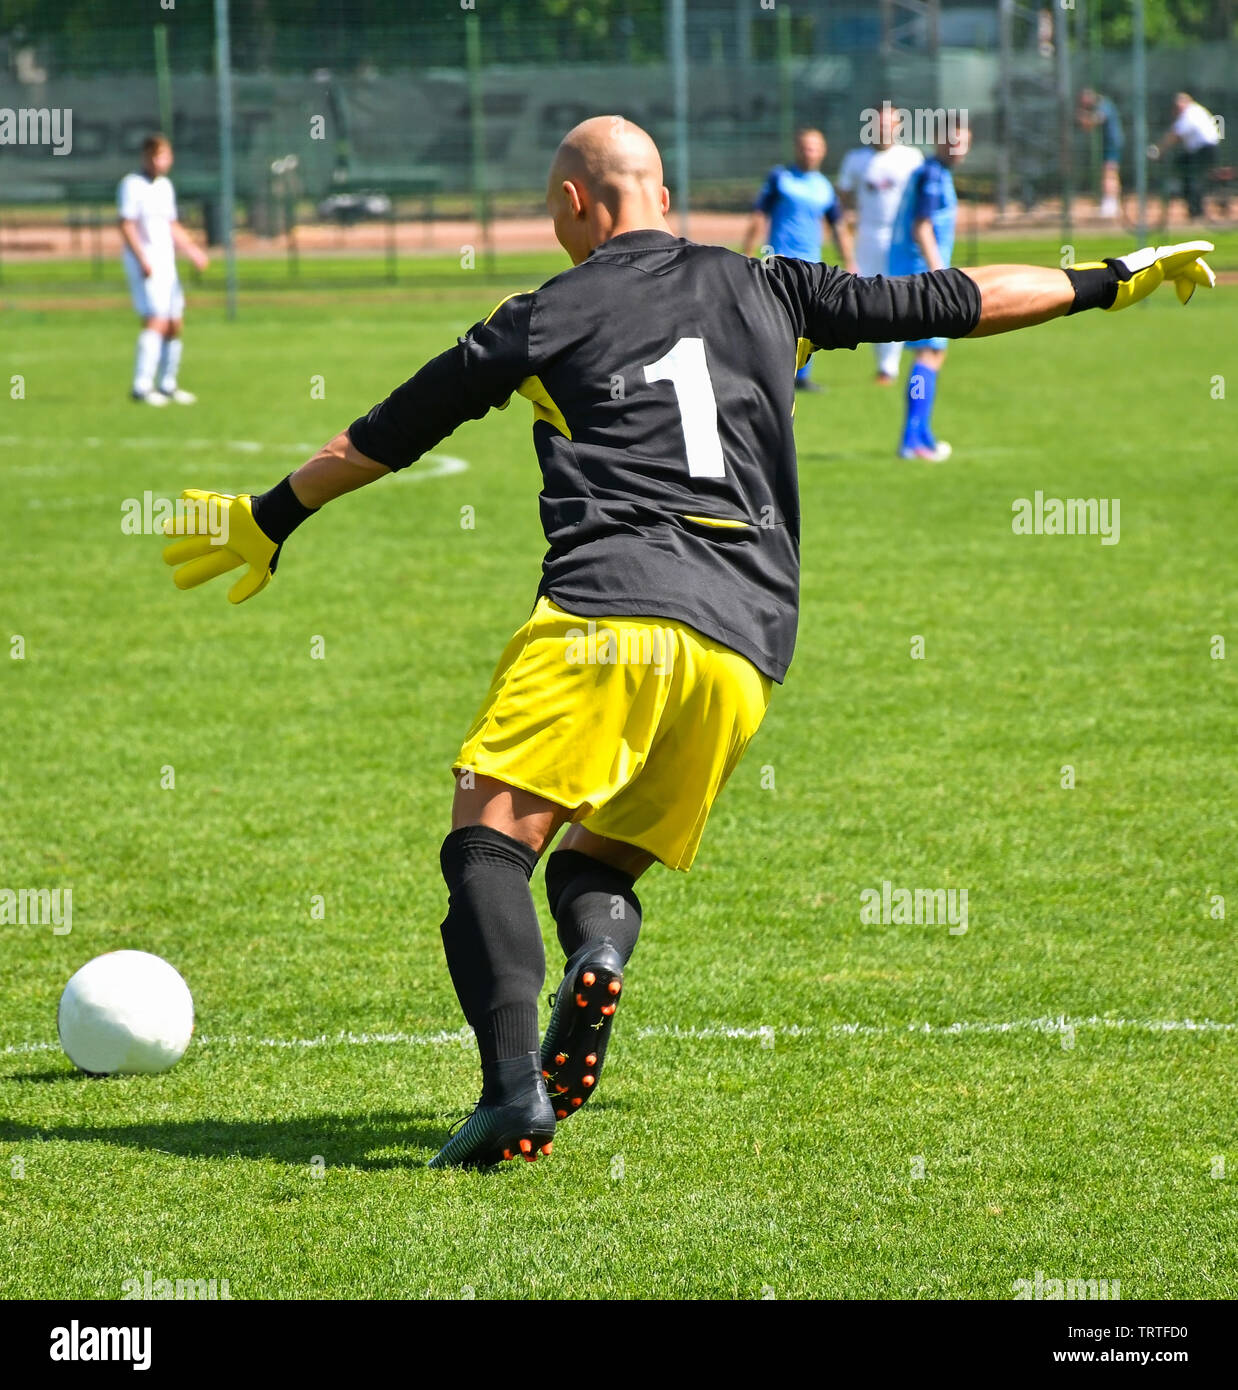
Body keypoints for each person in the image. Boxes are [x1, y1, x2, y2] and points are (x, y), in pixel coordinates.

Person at [161, 117, 1214, 1170]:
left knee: (486, 842)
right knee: (593, 863)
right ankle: (597, 954)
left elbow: (387, 432)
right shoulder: (773, 285)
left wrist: (268, 518)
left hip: (604, 613)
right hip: (742, 649)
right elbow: (958, 298)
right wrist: (1108, 277)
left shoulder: (541, 314)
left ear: (575, 203)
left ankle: (510, 1092)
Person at [741, 127, 855, 392]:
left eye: (814, 147)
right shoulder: (780, 178)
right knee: (775, 318)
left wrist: (850, 260)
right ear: (797, 148)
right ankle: (770, 374)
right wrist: (748, 252)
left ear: (823, 152)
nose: (809, 152)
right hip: (777, 261)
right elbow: (759, 217)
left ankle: (801, 377)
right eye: (805, 147)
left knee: (807, 322)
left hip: (811, 266)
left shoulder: (825, 188)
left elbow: (838, 227)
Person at [888, 126, 972, 462]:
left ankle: (922, 434)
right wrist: (940, 273)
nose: (958, 147)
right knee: (927, 354)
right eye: (952, 141)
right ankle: (912, 440)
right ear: (939, 141)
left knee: (933, 354)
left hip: (919, 273)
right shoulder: (934, 176)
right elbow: (920, 226)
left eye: (964, 141)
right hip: (924, 276)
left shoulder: (935, 173)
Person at [836, 102, 924, 384]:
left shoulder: (911, 158)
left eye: (889, 124)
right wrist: (847, 237)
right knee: (871, 297)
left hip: (900, 237)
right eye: (878, 124)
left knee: (897, 295)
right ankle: (883, 361)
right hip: (868, 236)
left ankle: (890, 366)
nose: (884, 129)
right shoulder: (856, 159)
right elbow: (843, 201)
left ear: (898, 126)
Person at [118, 134, 209, 405]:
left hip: (166, 263)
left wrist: (193, 250)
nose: (163, 161)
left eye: (167, 156)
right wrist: (142, 258)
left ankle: (168, 384)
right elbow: (126, 224)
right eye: (158, 156)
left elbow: (171, 225)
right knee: (156, 320)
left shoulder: (165, 186)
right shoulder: (131, 185)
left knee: (174, 322)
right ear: (147, 157)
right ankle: (141, 386)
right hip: (145, 264)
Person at [1152, 92, 1221, 221]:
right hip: (1203, 149)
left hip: (1205, 150)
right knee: (1186, 171)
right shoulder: (1195, 110)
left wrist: (1159, 150)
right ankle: (1193, 206)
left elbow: (1175, 135)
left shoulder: (1190, 113)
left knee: (1190, 177)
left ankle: (1196, 209)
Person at [1077, 89, 1124, 220]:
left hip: (1112, 144)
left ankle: (1110, 205)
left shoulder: (1104, 105)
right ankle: (1112, 204)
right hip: (1109, 144)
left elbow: (1095, 121)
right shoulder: (1101, 105)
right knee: (1111, 174)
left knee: (1109, 174)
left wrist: (1085, 118)